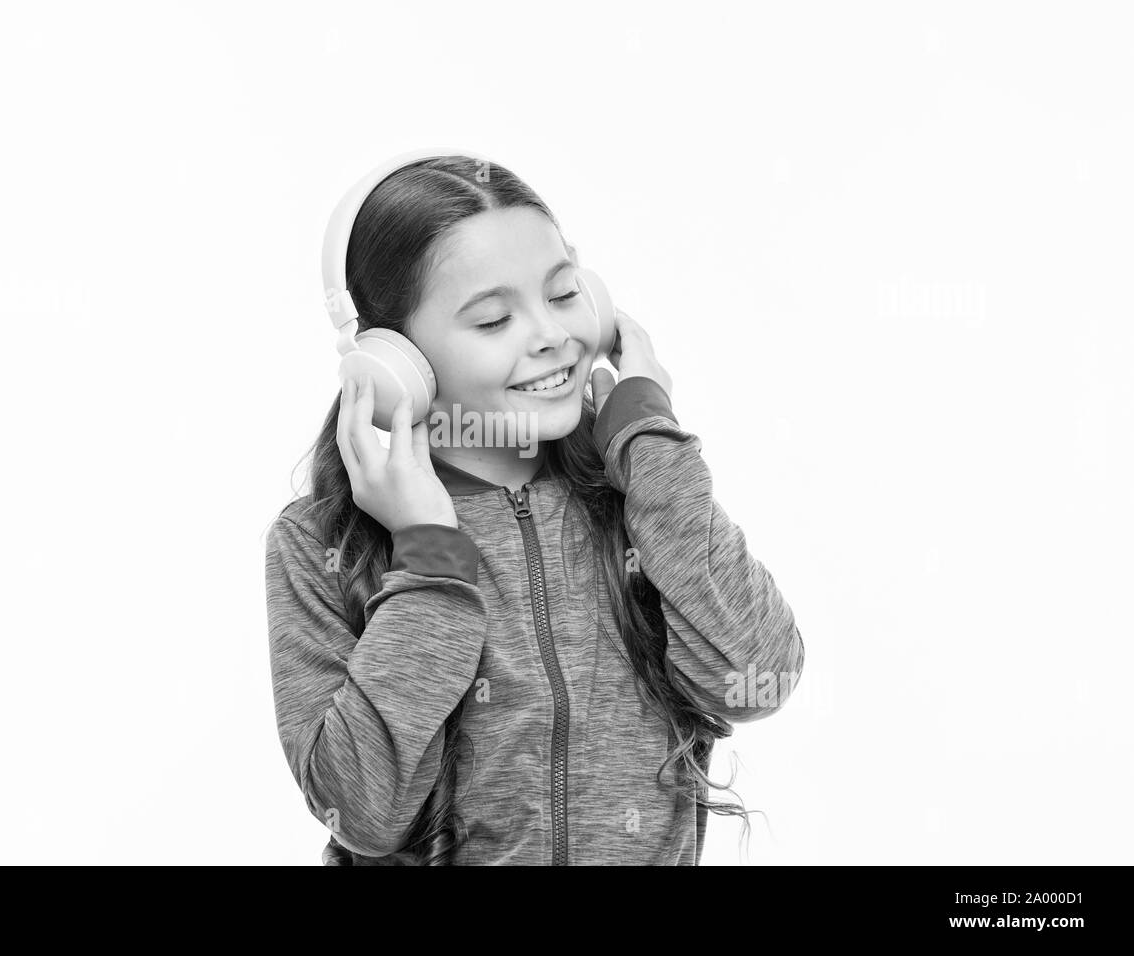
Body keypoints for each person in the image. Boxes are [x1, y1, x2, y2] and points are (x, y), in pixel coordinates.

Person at [264, 155, 805, 865]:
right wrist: (428, 555)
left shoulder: (638, 490)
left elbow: (756, 676)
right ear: (393, 361)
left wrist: (651, 448)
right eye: (494, 319)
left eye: (562, 292)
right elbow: (364, 810)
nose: (550, 335)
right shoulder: (318, 544)